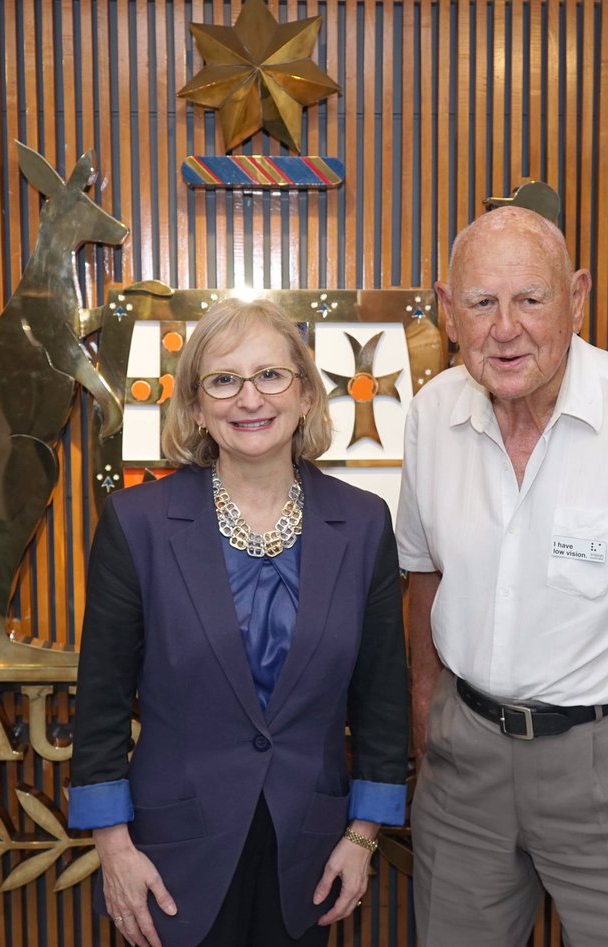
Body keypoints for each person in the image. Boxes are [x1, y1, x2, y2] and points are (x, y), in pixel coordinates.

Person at [397, 207, 608, 946]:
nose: (505, 328)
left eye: (531, 298)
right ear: (446, 311)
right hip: (467, 763)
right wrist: (429, 731)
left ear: (578, 297)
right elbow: (424, 579)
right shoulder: (429, 416)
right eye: (481, 302)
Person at [69, 299, 409, 947]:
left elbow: (382, 699)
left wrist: (363, 835)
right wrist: (113, 848)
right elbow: (102, 704)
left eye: (271, 376)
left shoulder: (363, 525)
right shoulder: (136, 524)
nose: (249, 398)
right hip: (170, 857)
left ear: (306, 393)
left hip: (310, 856)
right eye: (223, 380)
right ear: (196, 407)